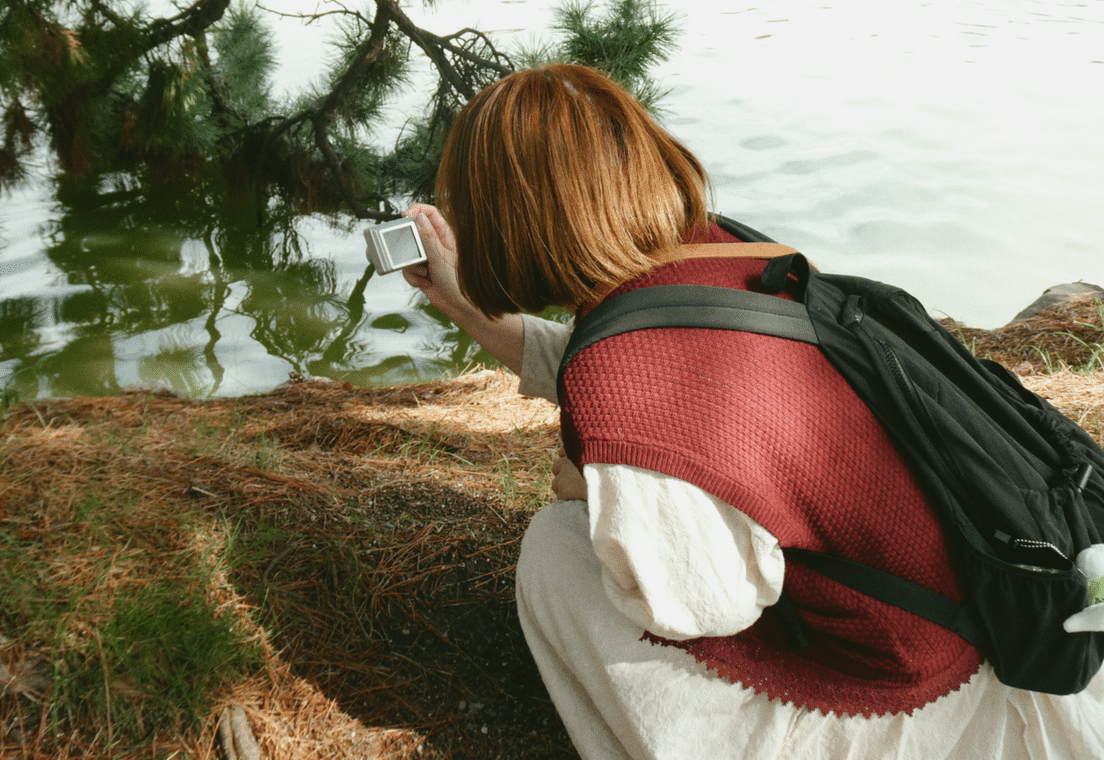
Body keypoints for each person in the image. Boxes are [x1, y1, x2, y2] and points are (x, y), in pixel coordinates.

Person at [401, 63, 1104, 760]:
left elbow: (707, 602)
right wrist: (470, 308)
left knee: (553, 555)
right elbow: (648, 367)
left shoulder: (624, 372)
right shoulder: (723, 253)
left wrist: (597, 492)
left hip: (921, 709)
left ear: (512, 218)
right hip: (992, 631)